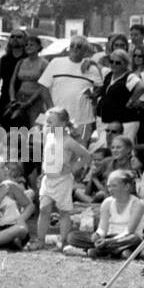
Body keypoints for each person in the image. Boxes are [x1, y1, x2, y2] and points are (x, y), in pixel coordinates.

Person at [31, 107, 89, 251]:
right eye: (47, 122)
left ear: (63, 124)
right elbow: (47, 155)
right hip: (48, 179)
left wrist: (73, 167)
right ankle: (40, 240)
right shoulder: (48, 135)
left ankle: (62, 241)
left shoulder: (68, 141)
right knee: (44, 209)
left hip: (62, 180)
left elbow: (86, 155)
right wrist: (43, 172)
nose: (48, 125)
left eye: (52, 122)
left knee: (63, 212)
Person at [63, 170, 144, 258]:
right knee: (72, 236)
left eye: (114, 186)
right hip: (108, 238)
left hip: (125, 240)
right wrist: (97, 235)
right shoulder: (107, 202)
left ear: (127, 186)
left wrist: (108, 242)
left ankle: (97, 251)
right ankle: (111, 251)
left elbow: (129, 231)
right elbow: (102, 229)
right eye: (109, 186)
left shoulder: (137, 204)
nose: (110, 190)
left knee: (134, 239)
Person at [38, 36, 102, 147]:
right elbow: (43, 88)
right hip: (57, 120)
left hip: (83, 121)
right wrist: (52, 110)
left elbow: (100, 88)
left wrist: (93, 95)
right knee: (54, 156)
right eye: (72, 45)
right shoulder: (56, 62)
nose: (75, 48)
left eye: (79, 46)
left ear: (85, 50)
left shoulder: (91, 68)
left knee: (79, 156)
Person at [96, 50, 140, 141]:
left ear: (125, 63)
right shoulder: (109, 73)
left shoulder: (129, 76)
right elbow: (99, 67)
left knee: (124, 145)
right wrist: (90, 62)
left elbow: (141, 86)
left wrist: (131, 100)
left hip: (126, 122)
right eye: (111, 62)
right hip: (107, 120)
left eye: (118, 63)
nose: (114, 64)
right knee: (104, 145)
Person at [0, 29, 27, 126]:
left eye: (19, 37)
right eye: (12, 37)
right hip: (5, 101)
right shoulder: (3, 60)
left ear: (25, 40)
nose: (15, 39)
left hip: (25, 101)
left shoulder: (28, 60)